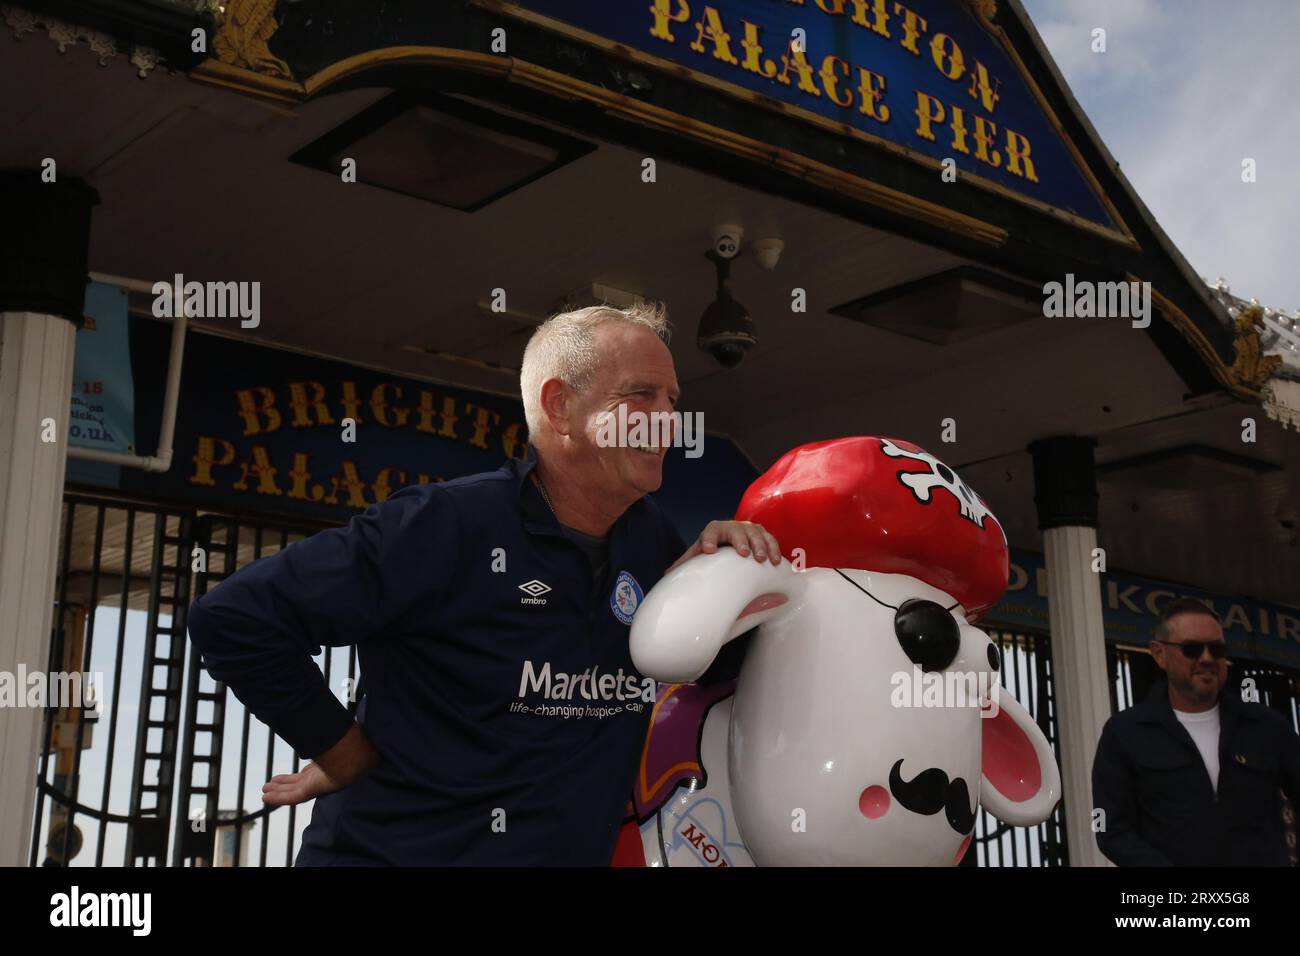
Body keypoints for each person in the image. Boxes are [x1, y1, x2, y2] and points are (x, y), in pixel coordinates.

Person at [186, 303, 782, 865]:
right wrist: (340, 750)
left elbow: (718, 674)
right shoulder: (443, 525)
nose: (668, 421)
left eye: (672, 401)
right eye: (640, 396)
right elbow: (234, 618)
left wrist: (725, 574)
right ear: (559, 407)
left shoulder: (650, 541)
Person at [1091, 598, 1300, 866]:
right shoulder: (1124, 733)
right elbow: (1111, 830)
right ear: (1159, 654)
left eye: (1217, 649)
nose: (1207, 658)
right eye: (1191, 649)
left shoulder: (1266, 727)